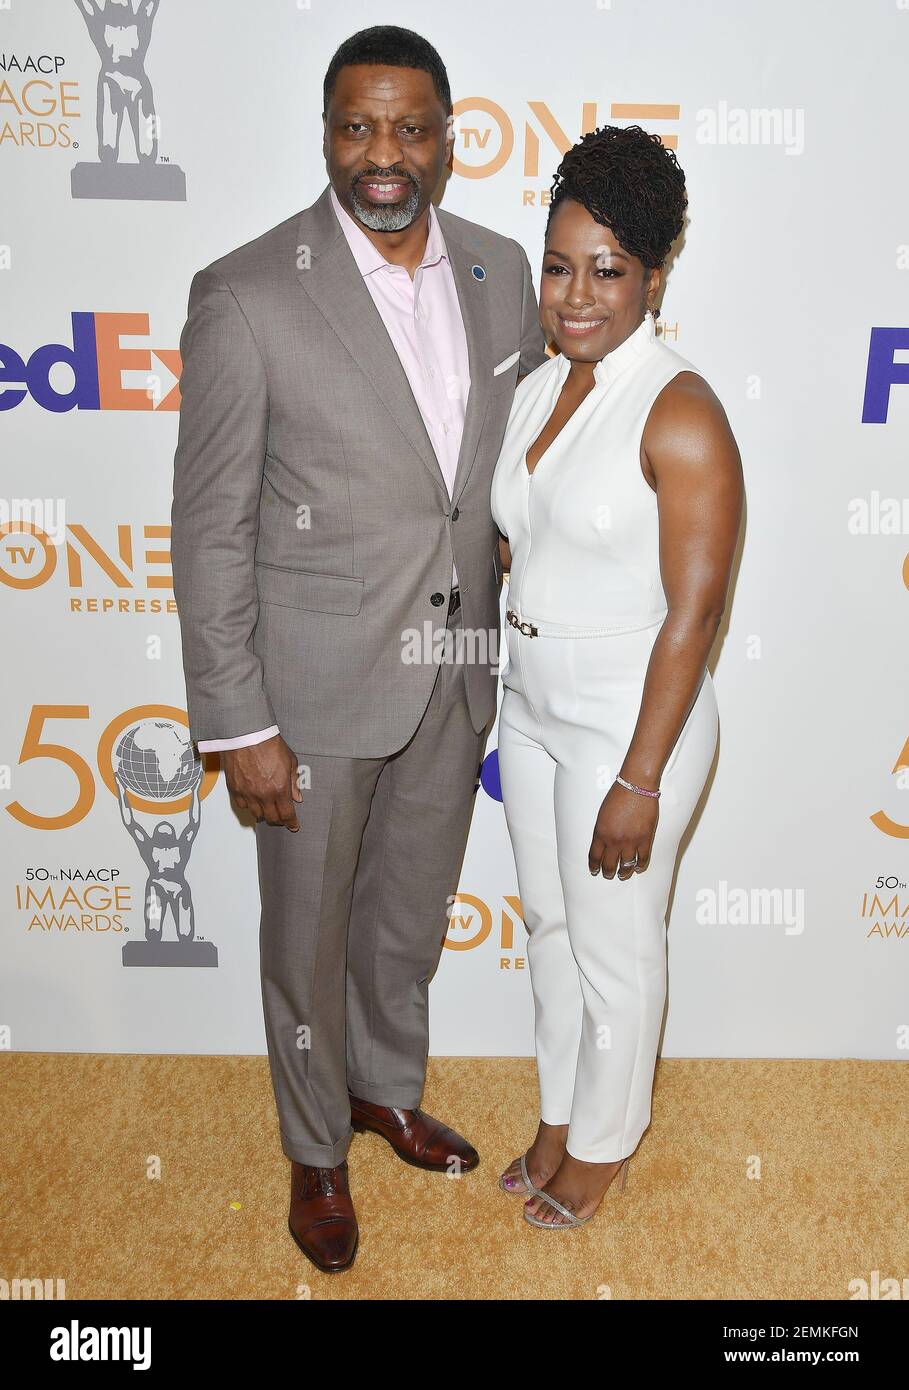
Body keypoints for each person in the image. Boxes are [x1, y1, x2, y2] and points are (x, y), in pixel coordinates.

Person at [170, 25, 548, 1271]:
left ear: (448, 135)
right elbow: (211, 525)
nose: (384, 154)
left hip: (455, 678)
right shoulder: (249, 292)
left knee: (403, 917)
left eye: (410, 127)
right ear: (326, 131)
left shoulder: (502, 274)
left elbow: (500, 479)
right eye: (357, 126)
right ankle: (314, 1146)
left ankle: (385, 1088)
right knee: (305, 937)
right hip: (314, 690)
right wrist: (240, 722)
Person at [491, 125, 743, 1228]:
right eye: (559, 266)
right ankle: (557, 1111)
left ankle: (604, 1140)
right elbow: (523, 540)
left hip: (630, 726)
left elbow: (696, 612)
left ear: (654, 275)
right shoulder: (536, 390)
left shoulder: (678, 409)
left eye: (607, 272)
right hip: (534, 711)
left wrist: (638, 779)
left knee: (613, 943)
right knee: (549, 926)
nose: (577, 296)